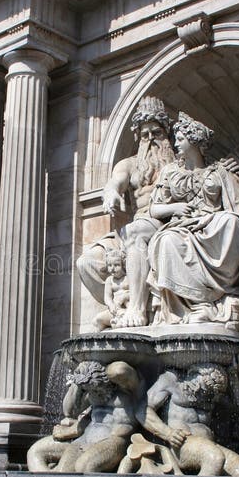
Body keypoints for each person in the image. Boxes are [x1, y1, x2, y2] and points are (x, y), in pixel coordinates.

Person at [148, 113, 239, 325]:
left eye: (180, 138)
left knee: (231, 221)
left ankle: (227, 296)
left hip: (212, 222)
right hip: (182, 226)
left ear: (194, 141)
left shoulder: (219, 171)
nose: (175, 143)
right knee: (167, 240)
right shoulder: (169, 172)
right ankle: (196, 306)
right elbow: (154, 209)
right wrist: (175, 207)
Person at [77, 96, 176, 328]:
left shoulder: (178, 163)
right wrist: (111, 192)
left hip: (167, 223)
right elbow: (116, 181)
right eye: (145, 134)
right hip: (136, 226)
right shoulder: (130, 164)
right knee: (86, 262)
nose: (151, 139)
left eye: (157, 133)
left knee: (135, 231)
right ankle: (118, 307)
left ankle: (138, 310)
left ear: (167, 134)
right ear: (138, 138)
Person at [27, 360, 142, 473]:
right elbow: (69, 411)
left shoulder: (127, 390)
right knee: (63, 473)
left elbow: (120, 369)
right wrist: (77, 383)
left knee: (84, 466)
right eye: (89, 391)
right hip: (85, 439)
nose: (94, 394)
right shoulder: (92, 392)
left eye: (96, 389)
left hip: (113, 441)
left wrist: (105, 368)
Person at [94, 249, 130, 330]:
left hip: (128, 308)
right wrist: (111, 305)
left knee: (123, 319)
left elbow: (136, 293)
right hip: (115, 310)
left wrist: (125, 296)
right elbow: (107, 297)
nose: (112, 268)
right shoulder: (109, 280)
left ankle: (118, 322)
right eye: (110, 265)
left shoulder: (128, 278)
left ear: (123, 265)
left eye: (116, 265)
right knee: (97, 320)